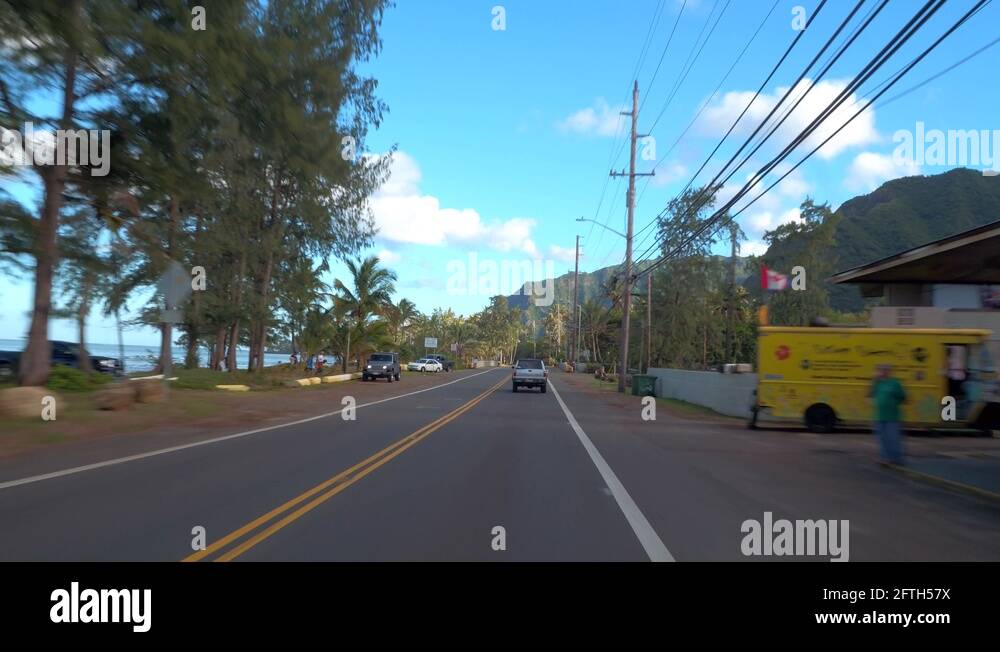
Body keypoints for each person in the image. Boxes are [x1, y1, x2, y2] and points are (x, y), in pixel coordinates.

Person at [869, 364, 907, 466]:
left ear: (888, 372)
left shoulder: (895, 383)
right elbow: (871, 394)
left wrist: (893, 403)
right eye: (880, 370)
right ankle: (885, 458)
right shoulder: (878, 383)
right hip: (879, 416)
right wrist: (874, 380)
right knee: (882, 439)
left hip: (892, 417)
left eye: (884, 370)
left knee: (893, 438)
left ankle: (896, 459)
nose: (881, 372)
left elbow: (903, 397)